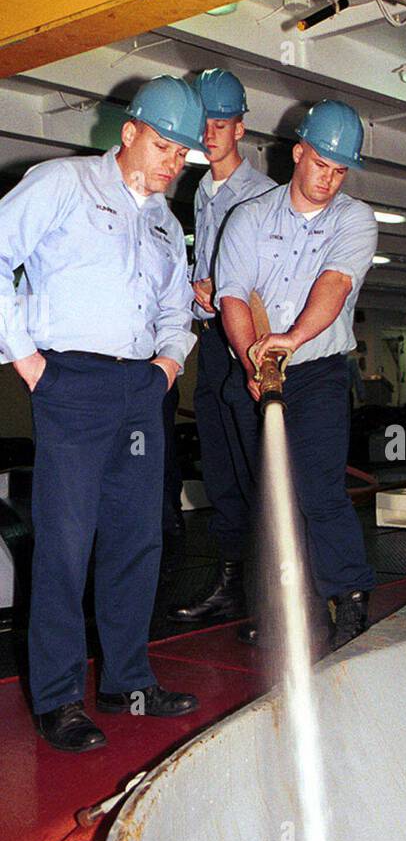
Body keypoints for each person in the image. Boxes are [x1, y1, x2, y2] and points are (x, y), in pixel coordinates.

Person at [0, 77, 204, 753]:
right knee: (64, 544)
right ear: (129, 133)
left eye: (184, 152)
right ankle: (57, 697)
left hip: (140, 390)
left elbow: (177, 312)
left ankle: (126, 680)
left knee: (136, 539)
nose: (174, 161)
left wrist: (167, 367)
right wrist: (27, 358)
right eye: (163, 144)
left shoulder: (164, 224)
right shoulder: (62, 183)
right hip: (72, 382)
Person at [215, 100, 377, 650]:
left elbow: (334, 284)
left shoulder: (355, 219)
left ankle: (351, 601)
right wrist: (251, 359)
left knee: (319, 491)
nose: (328, 180)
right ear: (297, 152)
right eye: (319, 165)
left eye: (339, 171)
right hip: (255, 370)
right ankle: (285, 603)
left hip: (318, 372)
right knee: (269, 496)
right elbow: (232, 296)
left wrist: (290, 341)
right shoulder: (249, 218)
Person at [169, 69, 274, 626]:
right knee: (221, 470)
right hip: (212, 347)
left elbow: (277, 281)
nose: (208, 134)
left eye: (219, 124)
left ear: (240, 128)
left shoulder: (261, 196)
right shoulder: (202, 192)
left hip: (250, 345)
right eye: (202, 125)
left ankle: (272, 590)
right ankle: (233, 581)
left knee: (259, 467)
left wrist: (229, 290)